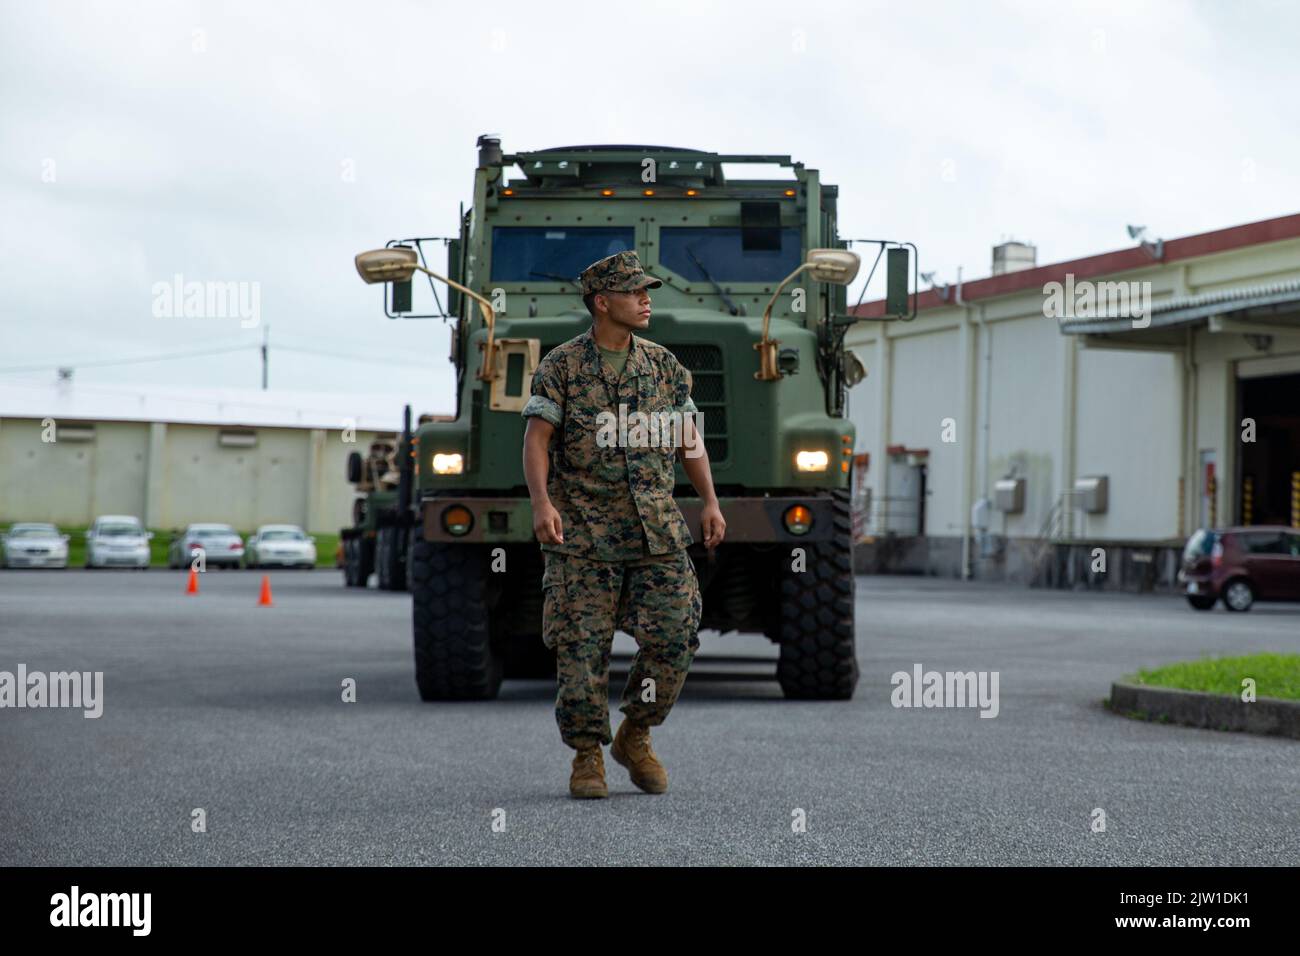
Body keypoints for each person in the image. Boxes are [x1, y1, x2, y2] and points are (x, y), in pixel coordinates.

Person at [521, 250, 725, 799]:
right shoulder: (562, 365)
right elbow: (536, 440)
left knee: (677, 632)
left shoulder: (662, 365)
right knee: (581, 648)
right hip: (583, 534)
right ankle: (587, 756)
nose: (646, 299)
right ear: (602, 302)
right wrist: (542, 504)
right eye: (635, 293)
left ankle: (635, 734)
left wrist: (709, 500)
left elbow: (688, 439)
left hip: (655, 529)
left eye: (647, 291)